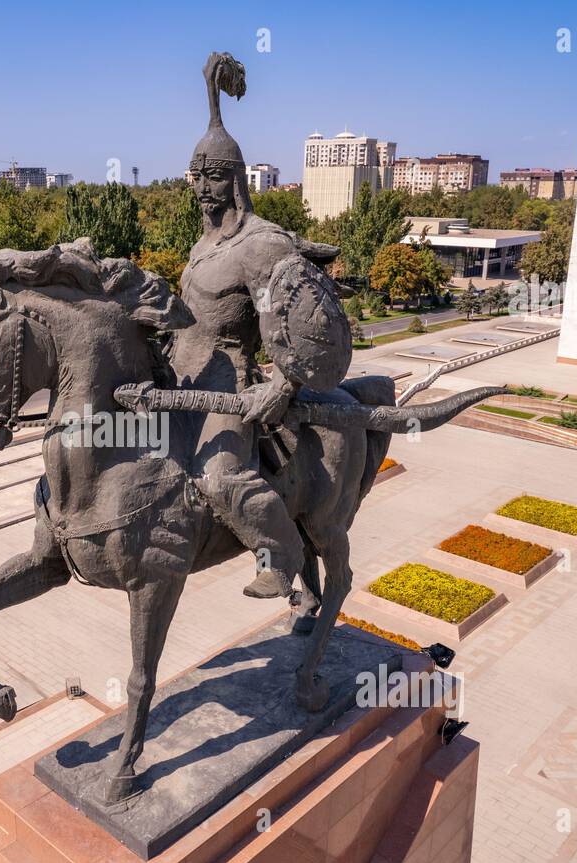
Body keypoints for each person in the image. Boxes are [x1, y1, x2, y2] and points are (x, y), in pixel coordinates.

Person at [171, 52, 347, 600]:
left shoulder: (259, 245)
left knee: (219, 477)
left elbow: (287, 325)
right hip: (177, 383)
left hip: (229, 388)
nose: (204, 188)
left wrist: (283, 385)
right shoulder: (201, 247)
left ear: (237, 180)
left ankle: (280, 552)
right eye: (197, 176)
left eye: (216, 177)